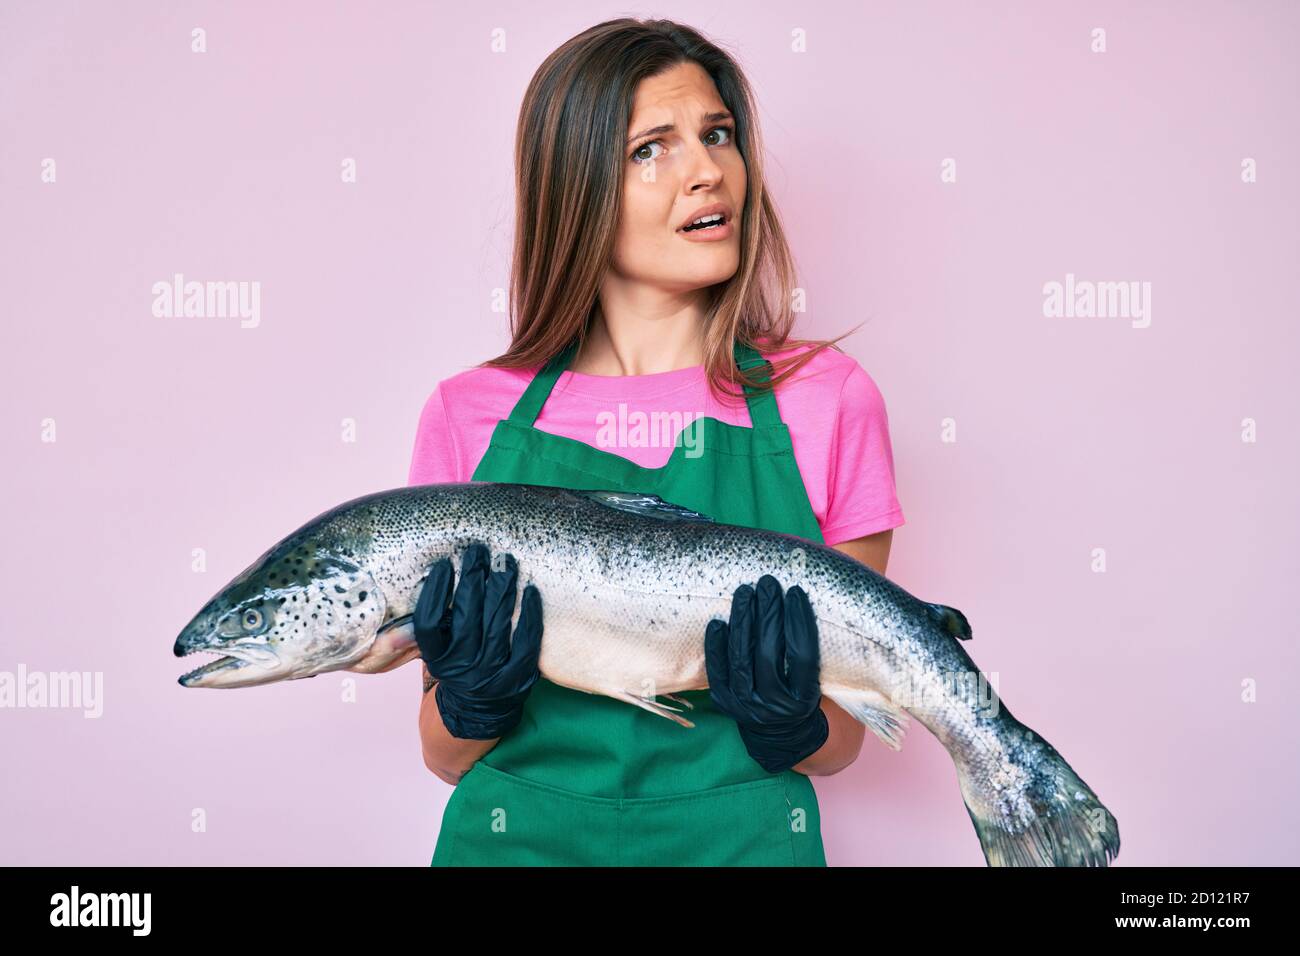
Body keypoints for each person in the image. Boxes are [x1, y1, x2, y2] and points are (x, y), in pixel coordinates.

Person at [407, 18, 904, 866]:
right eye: (650, 149)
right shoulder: (469, 414)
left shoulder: (826, 401)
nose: (708, 171)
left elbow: (843, 743)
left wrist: (792, 722)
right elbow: (443, 755)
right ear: (576, 188)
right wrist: (469, 702)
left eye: (718, 134)